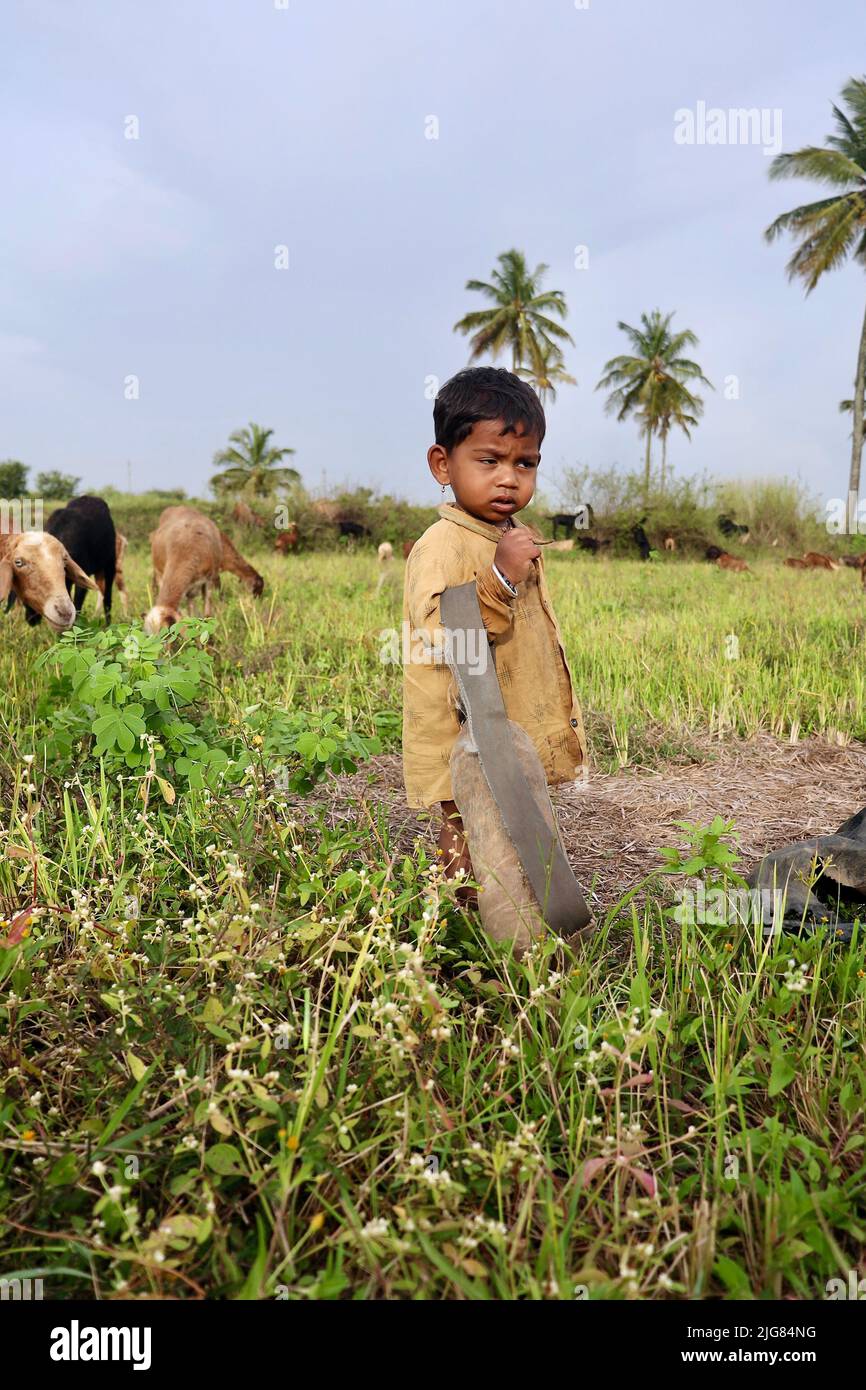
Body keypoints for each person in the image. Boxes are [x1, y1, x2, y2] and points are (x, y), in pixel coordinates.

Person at [401, 366, 587, 903]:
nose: (509, 478)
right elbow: (440, 630)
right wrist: (501, 578)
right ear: (443, 464)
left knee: (508, 823)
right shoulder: (441, 544)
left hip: (504, 717)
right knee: (464, 826)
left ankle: (513, 915)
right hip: (460, 727)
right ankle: (455, 924)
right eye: (489, 461)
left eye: (524, 463)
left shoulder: (508, 534)